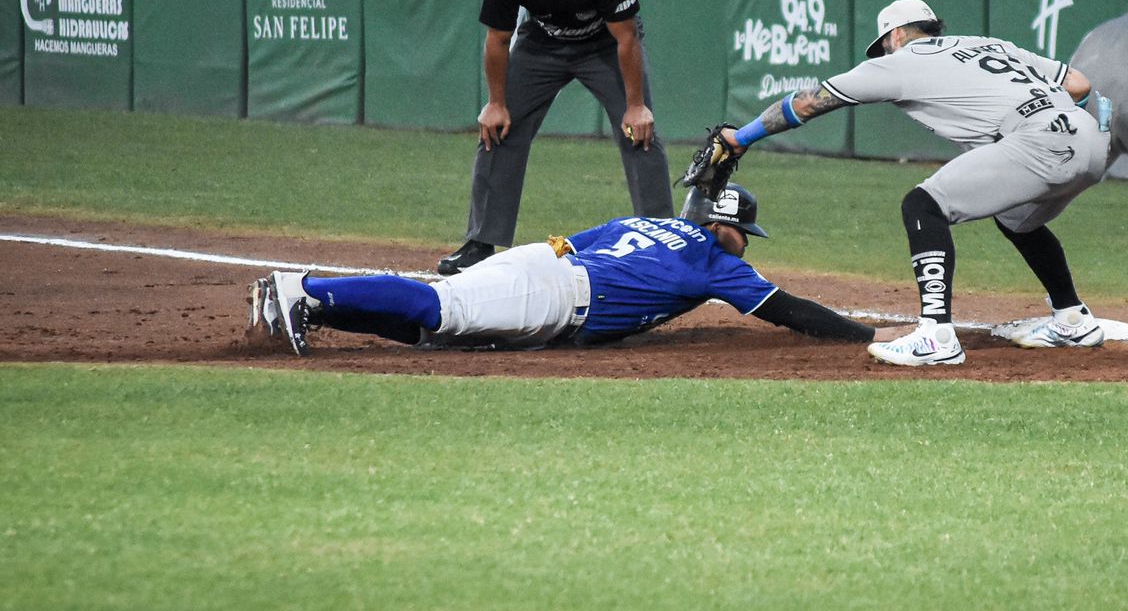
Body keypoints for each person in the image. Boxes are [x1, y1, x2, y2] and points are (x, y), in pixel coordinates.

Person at [701, 0, 1115, 368]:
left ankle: (936, 335)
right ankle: (1072, 319)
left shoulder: (901, 61)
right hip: (1091, 137)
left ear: (896, 35)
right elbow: (1078, 83)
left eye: (884, 43)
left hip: (1038, 139)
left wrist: (741, 138)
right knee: (1016, 219)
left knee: (923, 205)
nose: (884, 51)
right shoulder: (992, 45)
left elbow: (809, 103)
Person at [252, 184, 891, 355]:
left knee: (431, 330)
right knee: (439, 308)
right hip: (557, 290)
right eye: (743, 234)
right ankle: (301, 287)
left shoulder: (643, 222)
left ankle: (312, 305)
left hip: (551, 270)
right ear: (725, 228)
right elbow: (788, 309)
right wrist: (865, 336)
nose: (746, 246)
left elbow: (575, 242)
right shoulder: (712, 258)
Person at [437, 0, 675, 276]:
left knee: (639, 132)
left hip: (603, 45)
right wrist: (496, 102)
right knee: (498, 129)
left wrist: (635, 105)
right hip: (543, 44)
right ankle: (481, 242)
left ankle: (664, 242)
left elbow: (626, 39)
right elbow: (497, 40)